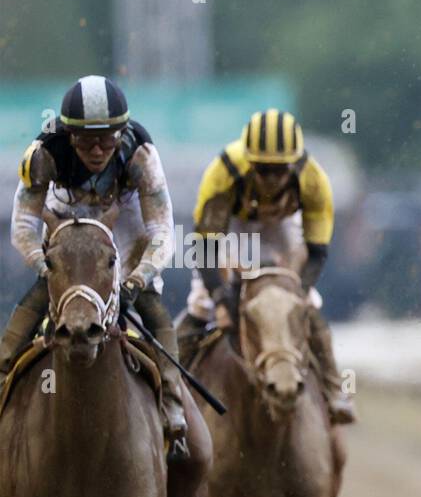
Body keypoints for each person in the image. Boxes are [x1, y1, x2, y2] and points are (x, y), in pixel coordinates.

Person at [4, 75, 188, 448]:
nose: (99, 149)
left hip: (124, 220)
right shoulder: (43, 154)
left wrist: (138, 279)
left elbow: (162, 232)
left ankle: (172, 402)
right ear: (69, 136)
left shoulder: (141, 155)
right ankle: (5, 370)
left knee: (153, 309)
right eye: (87, 140)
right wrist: (45, 267)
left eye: (108, 139)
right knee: (38, 301)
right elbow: (23, 224)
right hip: (67, 220)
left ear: (122, 133)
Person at [178, 109, 355, 424]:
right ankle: (173, 393)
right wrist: (219, 298)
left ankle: (333, 389)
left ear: (293, 164)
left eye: (279, 171)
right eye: (262, 170)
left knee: (309, 304)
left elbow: (316, 251)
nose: (271, 180)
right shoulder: (224, 173)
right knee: (200, 304)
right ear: (249, 162)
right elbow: (205, 247)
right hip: (232, 228)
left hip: (283, 225)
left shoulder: (313, 180)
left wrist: (298, 292)